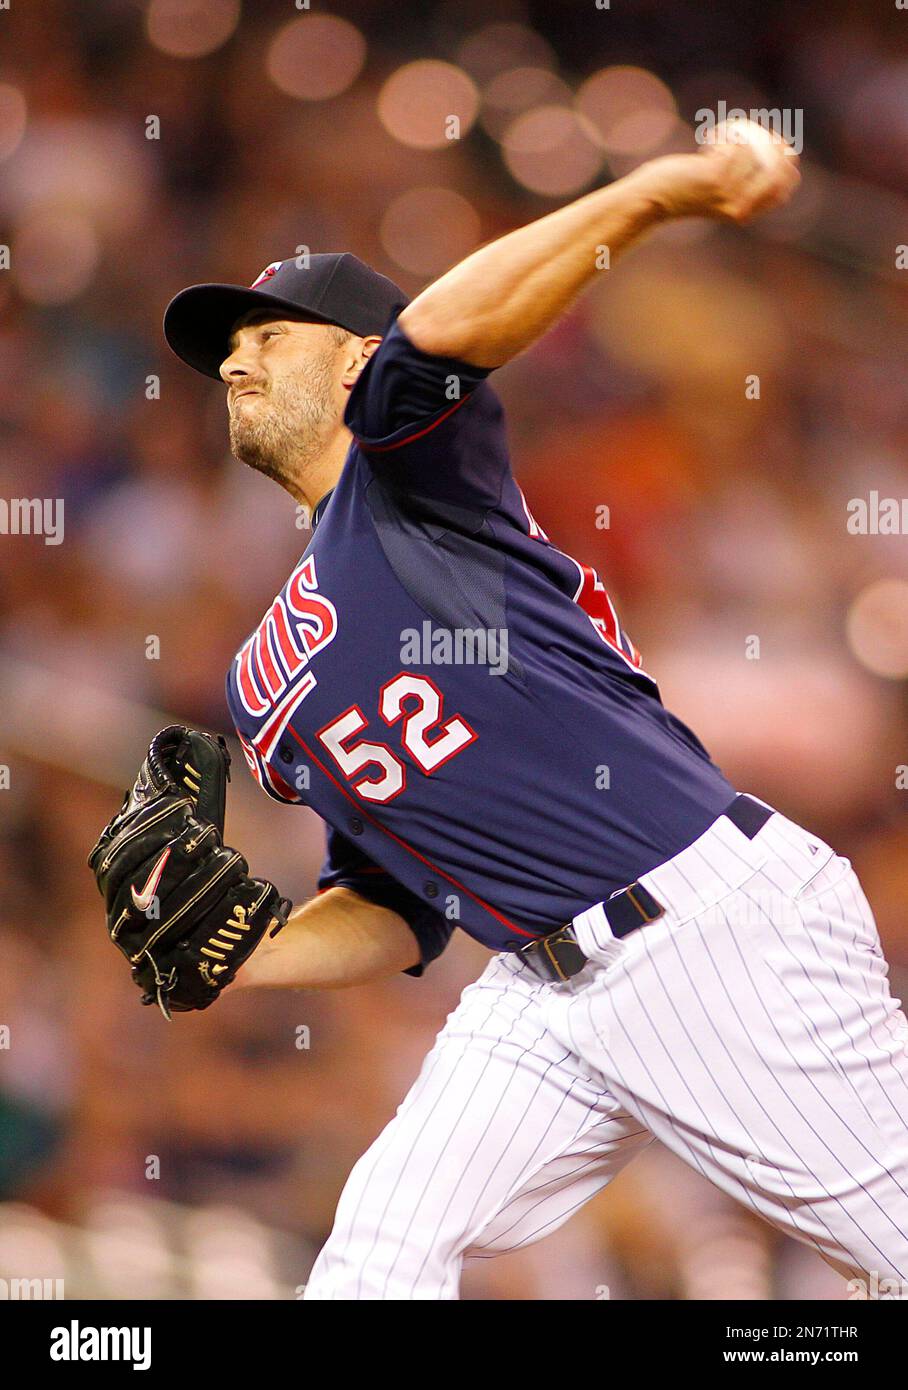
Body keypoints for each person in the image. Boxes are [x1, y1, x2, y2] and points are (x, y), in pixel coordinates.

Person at [162, 121, 908, 1300]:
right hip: (536, 990)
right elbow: (395, 903)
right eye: (227, 355)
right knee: (376, 1255)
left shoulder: (413, 481)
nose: (236, 366)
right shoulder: (265, 681)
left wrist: (657, 192)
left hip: (705, 935)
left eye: (266, 337)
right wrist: (249, 957)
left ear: (355, 360)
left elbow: (439, 336)